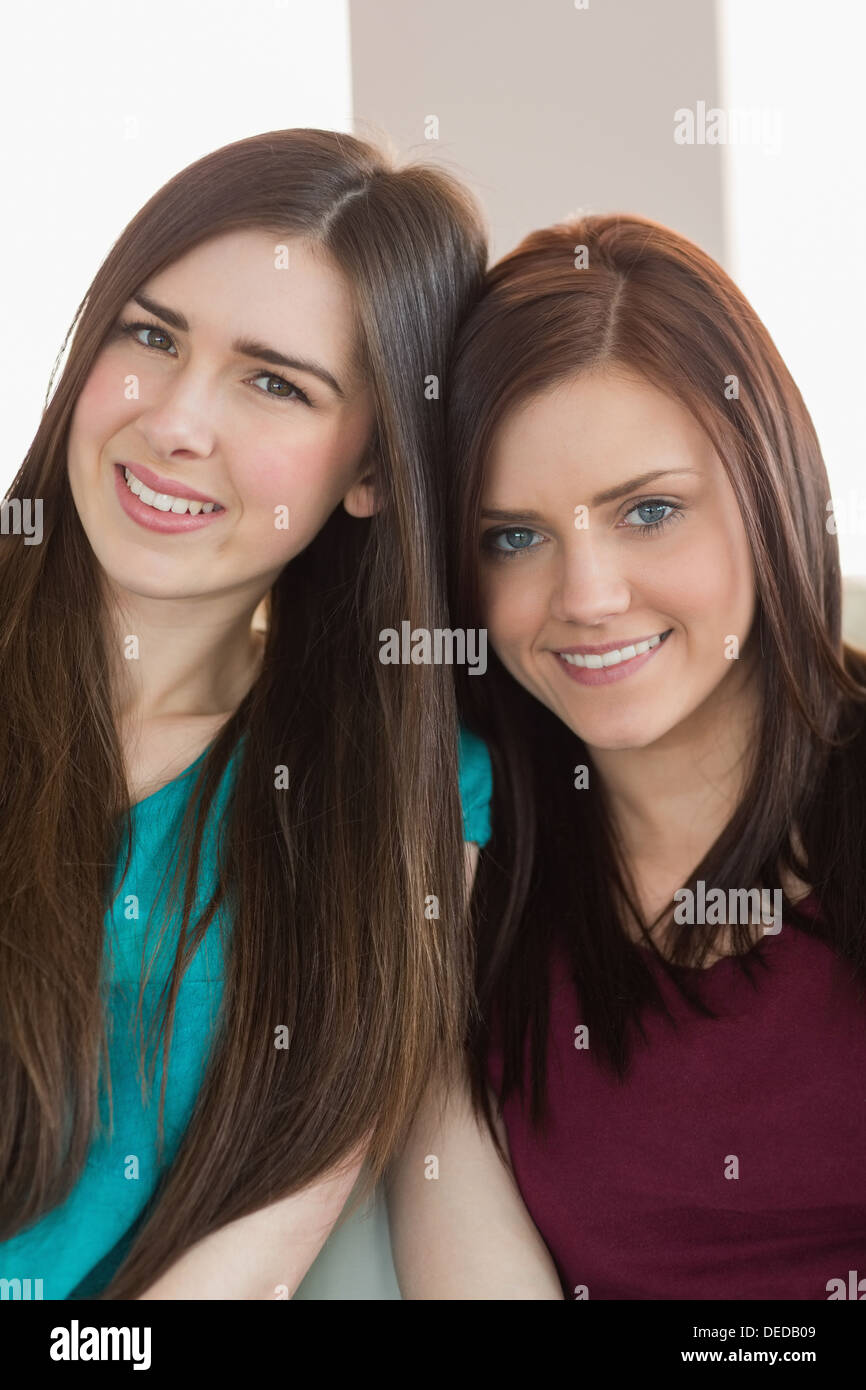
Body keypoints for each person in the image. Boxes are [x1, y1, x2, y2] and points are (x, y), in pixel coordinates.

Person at [0, 127, 492, 1300]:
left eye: (273, 382)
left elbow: (261, 1241)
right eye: (150, 334)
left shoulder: (399, 794)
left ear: (370, 471)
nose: (175, 419)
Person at [387, 213, 866, 1300]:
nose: (588, 597)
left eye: (648, 511)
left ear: (769, 491)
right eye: (513, 536)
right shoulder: (472, 873)